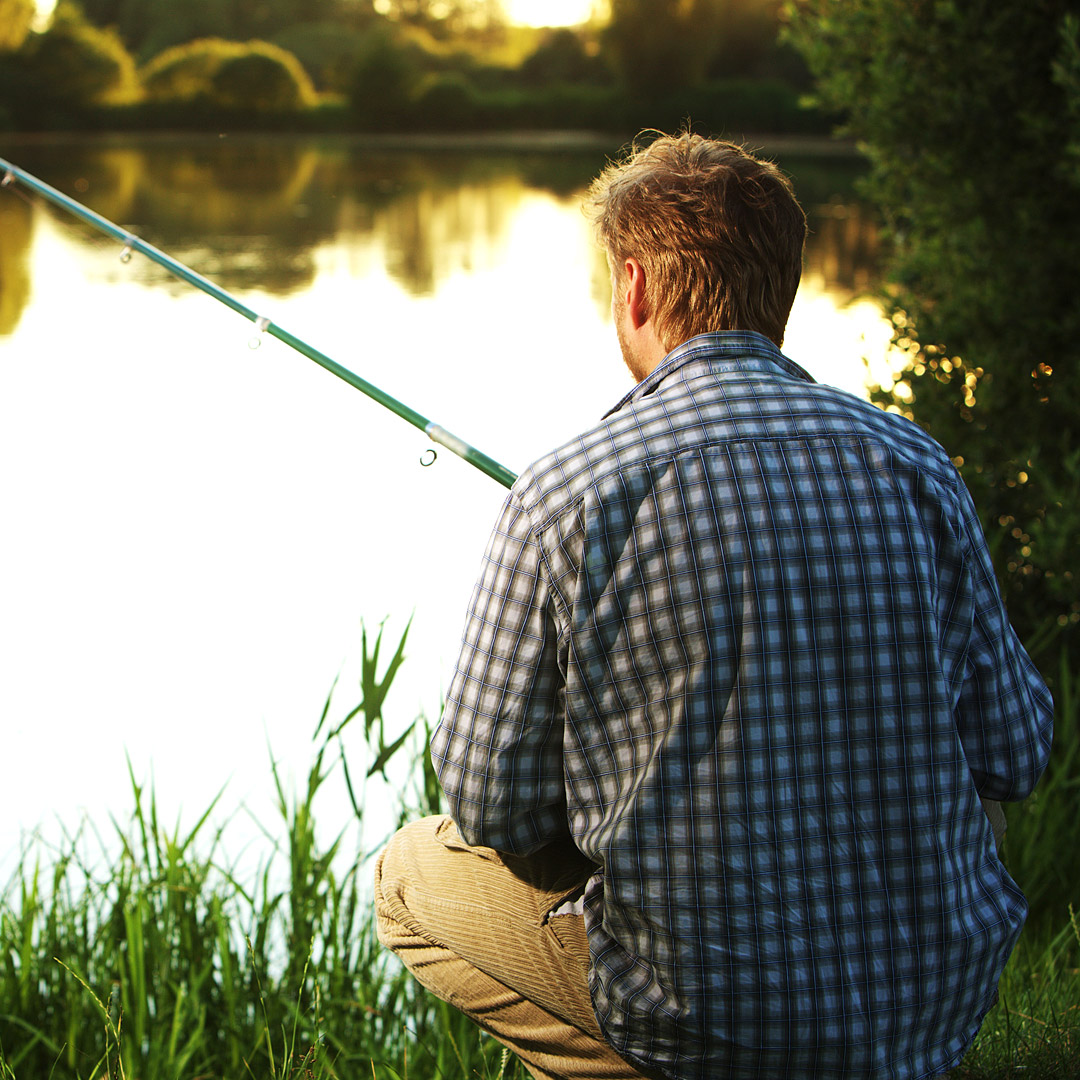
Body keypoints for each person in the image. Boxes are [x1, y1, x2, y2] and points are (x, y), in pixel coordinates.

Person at [374, 132, 1053, 1080]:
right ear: (782, 291)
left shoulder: (565, 492)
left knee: (409, 876)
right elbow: (1017, 749)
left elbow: (489, 803)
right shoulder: (915, 465)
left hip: (704, 1019)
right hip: (929, 1014)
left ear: (637, 289)